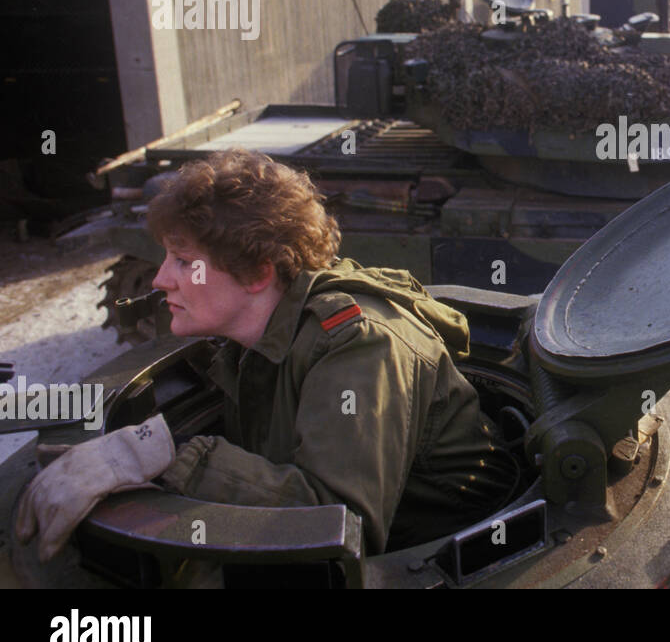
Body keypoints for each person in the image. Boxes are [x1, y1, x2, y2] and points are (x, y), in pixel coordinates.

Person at [18, 149, 516, 562]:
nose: (160, 279)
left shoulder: (361, 344)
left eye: (186, 262)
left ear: (258, 273)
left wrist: (164, 456)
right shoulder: (253, 338)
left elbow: (337, 523)